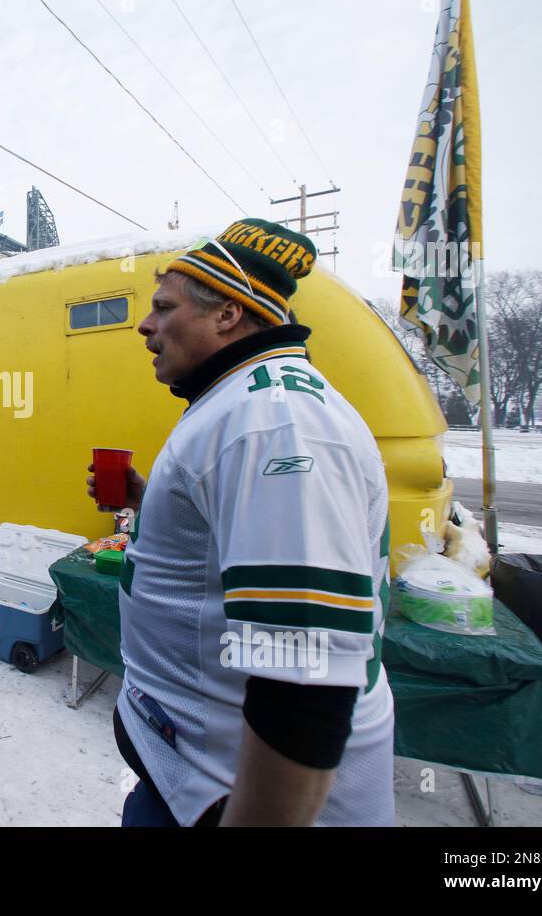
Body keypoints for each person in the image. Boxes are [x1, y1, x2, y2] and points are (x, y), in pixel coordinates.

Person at [88, 219, 395, 826]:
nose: (145, 326)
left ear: (227, 314)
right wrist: (152, 503)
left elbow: (303, 676)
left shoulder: (273, 422)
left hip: (233, 798)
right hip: (191, 775)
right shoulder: (248, 401)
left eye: (163, 308)